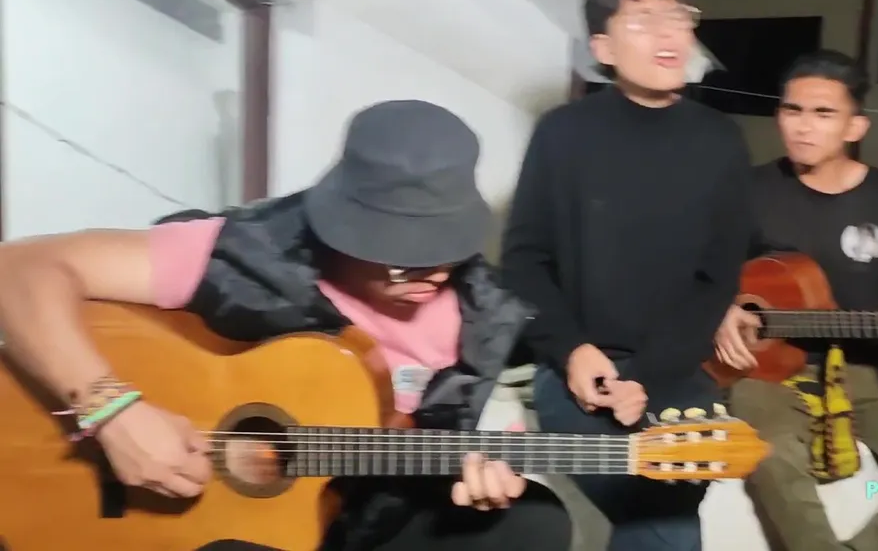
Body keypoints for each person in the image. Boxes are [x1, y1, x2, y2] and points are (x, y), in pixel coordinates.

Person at [0, 100, 572, 551]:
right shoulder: (246, 251)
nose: (432, 274)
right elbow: (16, 271)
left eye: (445, 251)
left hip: (351, 513)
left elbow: (440, 446)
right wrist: (113, 412)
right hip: (210, 524)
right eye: (402, 257)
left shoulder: (477, 313)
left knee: (532, 523)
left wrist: (481, 477)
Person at [501, 0, 752, 551]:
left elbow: (716, 280)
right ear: (603, 48)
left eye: (678, 17)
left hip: (676, 375)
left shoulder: (721, 140)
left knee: (669, 492)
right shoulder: (563, 133)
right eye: (642, 21)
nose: (668, 35)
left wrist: (645, 377)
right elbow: (523, 262)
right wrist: (572, 351)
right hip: (574, 375)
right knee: (662, 507)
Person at [712, 50, 878, 551]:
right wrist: (722, 309)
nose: (803, 127)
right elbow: (702, 273)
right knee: (770, 458)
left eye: (823, 114)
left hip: (867, 368)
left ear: (856, 126)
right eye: (792, 110)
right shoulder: (748, 191)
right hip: (764, 369)